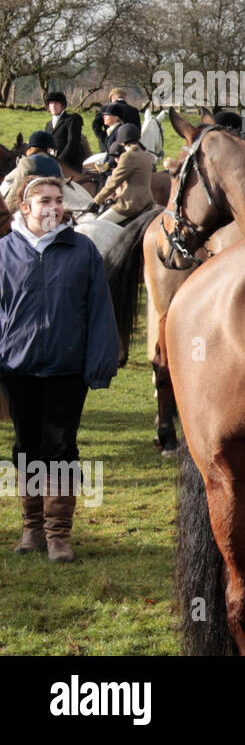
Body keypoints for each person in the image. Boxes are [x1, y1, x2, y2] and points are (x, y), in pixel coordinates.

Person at [0, 175, 118, 562]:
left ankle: (58, 535)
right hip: (18, 368)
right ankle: (31, 528)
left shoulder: (82, 251)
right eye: (44, 201)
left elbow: (101, 309)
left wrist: (99, 361)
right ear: (25, 208)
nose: (53, 207)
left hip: (67, 369)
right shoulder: (4, 252)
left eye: (58, 200)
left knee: (61, 446)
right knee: (26, 447)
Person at [88, 125, 154, 224]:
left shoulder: (128, 156)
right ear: (138, 138)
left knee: (97, 223)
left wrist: (96, 201)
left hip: (131, 204)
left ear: (121, 142)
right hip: (148, 201)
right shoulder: (146, 155)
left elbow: (114, 182)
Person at [3, 132, 63, 211]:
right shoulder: (57, 165)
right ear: (48, 149)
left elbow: (16, 190)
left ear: (31, 148)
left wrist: (7, 210)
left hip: (30, 209)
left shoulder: (27, 162)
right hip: (53, 210)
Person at [43, 92, 85, 170]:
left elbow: (72, 143)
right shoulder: (48, 125)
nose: (53, 106)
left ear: (62, 105)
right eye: (51, 103)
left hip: (70, 163)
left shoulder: (71, 121)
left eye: (56, 103)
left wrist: (60, 161)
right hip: (53, 162)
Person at [92, 89, 141, 155]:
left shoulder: (105, 109)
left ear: (112, 97)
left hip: (107, 148)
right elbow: (137, 130)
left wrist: (104, 138)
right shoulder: (134, 111)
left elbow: (95, 125)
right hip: (128, 148)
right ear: (124, 97)